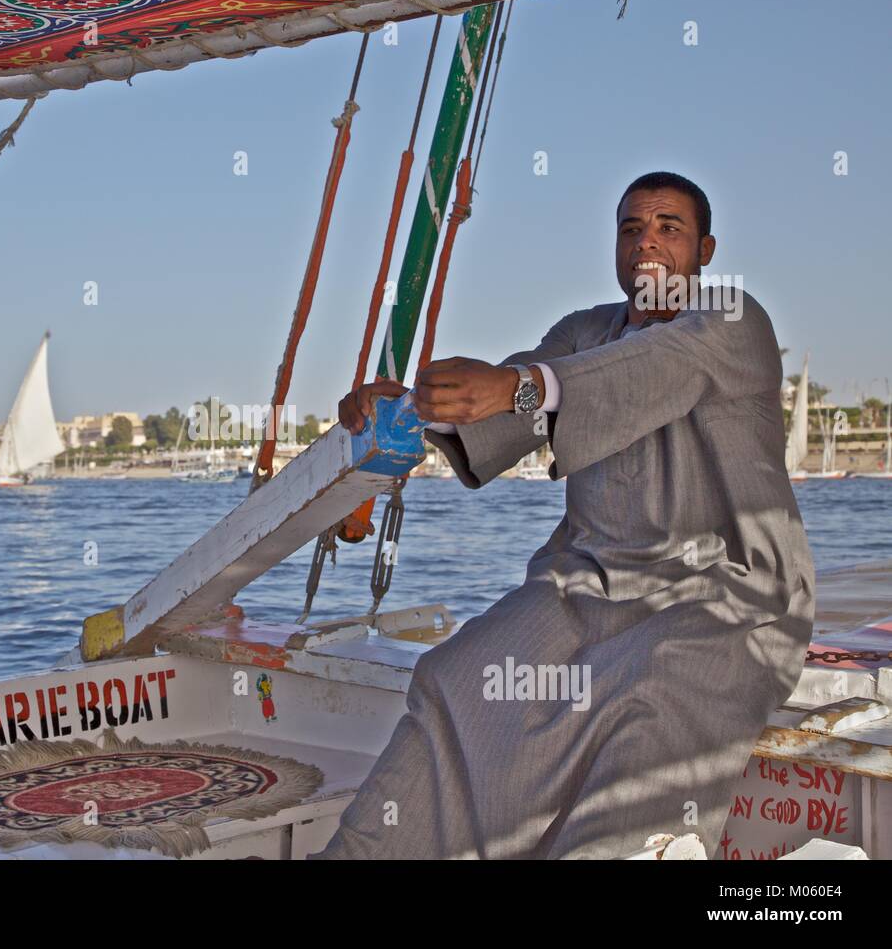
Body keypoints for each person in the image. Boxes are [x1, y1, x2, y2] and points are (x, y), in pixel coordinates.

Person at [315, 172, 814, 859]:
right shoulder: (582, 333)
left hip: (724, 593)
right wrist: (414, 407)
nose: (647, 242)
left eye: (670, 227)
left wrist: (519, 386)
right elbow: (516, 406)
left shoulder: (731, 318)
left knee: (651, 704)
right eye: (631, 228)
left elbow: (641, 371)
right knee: (456, 676)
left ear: (705, 251)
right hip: (589, 581)